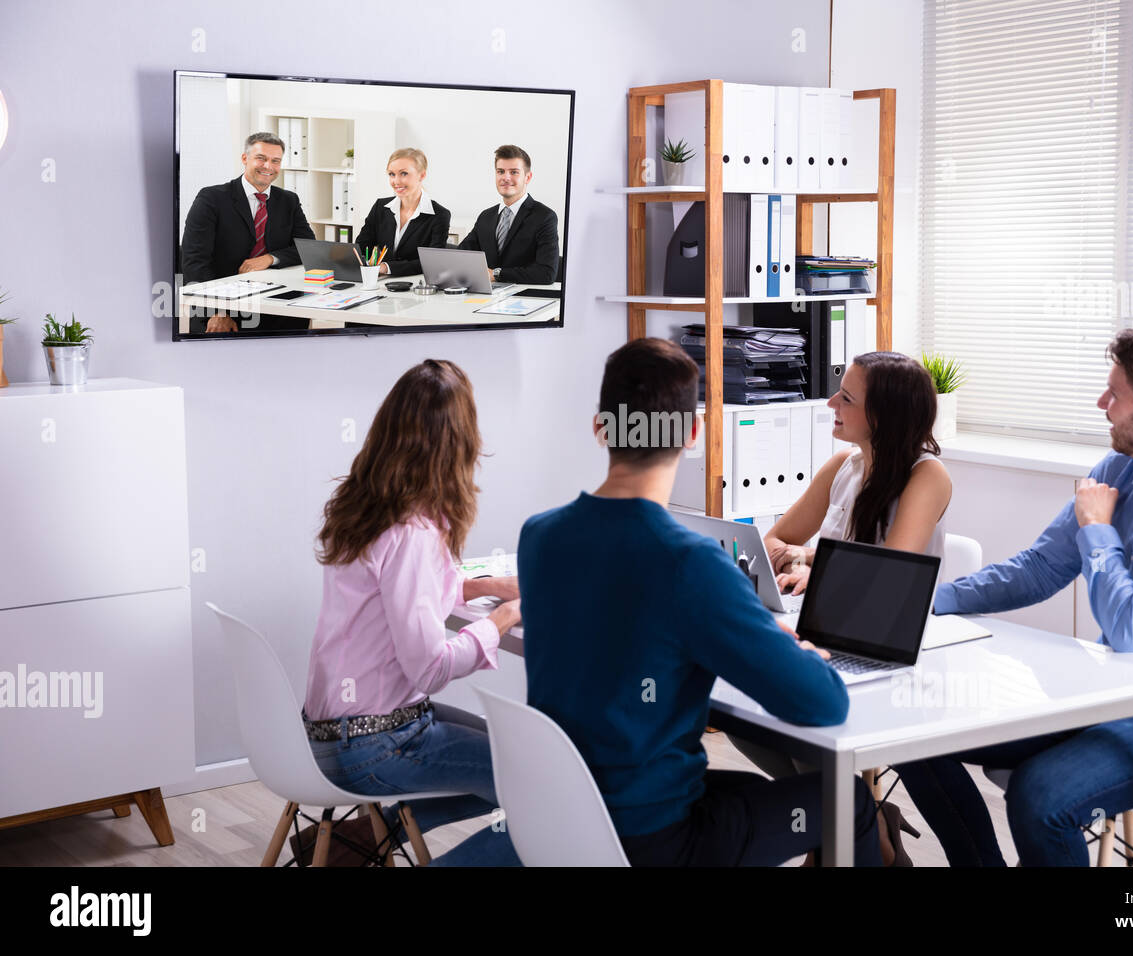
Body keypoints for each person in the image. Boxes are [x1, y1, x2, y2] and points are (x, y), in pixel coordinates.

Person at [894, 326, 1133, 867]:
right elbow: (1042, 568)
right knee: (912, 736)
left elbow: (1131, 627)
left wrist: (1098, 530)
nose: (1101, 403)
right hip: (1110, 691)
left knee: (1041, 796)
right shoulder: (1120, 467)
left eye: (1114, 394)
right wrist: (928, 600)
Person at [517, 337, 886, 867]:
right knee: (846, 800)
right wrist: (795, 650)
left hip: (565, 818)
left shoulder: (539, 535)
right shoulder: (690, 562)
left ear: (600, 427)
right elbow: (822, 704)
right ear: (693, 433)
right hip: (655, 837)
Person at [730, 350, 953, 864]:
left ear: (883, 416)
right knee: (741, 710)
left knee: (797, 717)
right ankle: (860, 826)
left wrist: (811, 561)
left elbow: (885, 576)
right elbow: (775, 541)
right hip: (825, 630)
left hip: (892, 648)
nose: (831, 402)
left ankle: (838, 834)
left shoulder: (927, 476)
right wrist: (808, 559)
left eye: (846, 398)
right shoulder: (844, 467)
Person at [304, 359, 522, 866]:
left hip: (333, 732)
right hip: (379, 742)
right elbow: (430, 668)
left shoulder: (365, 505)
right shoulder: (413, 533)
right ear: (458, 442)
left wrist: (484, 587)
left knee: (520, 755)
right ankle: (362, 847)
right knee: (542, 784)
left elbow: (402, 599)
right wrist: (504, 617)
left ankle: (348, 851)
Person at [181, 132, 315, 333]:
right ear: (245, 158)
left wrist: (270, 258)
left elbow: (308, 248)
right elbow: (195, 260)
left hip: (273, 301)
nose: (268, 166)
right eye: (261, 158)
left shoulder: (288, 201)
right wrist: (218, 311)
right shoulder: (212, 199)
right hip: (225, 304)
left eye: (275, 160)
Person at [457, 144, 559, 285]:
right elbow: (460, 256)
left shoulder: (544, 217)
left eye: (514, 172)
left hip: (523, 298)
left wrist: (497, 274)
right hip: (483, 296)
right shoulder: (486, 217)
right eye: (500, 171)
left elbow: (547, 273)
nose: (506, 177)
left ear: (527, 177)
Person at [355, 148, 451, 278]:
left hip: (414, 285)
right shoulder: (380, 207)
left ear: (421, 175)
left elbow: (432, 262)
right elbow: (360, 247)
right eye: (392, 174)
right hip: (381, 283)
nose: (396, 181)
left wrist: (386, 267)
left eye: (404, 174)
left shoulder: (439, 215)